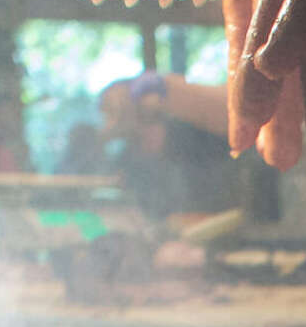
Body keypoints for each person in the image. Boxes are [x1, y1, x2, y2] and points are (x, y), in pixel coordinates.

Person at [97, 71, 239, 219]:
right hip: (166, 234)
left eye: (112, 109)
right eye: (107, 112)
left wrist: (167, 87)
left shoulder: (189, 134)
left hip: (221, 223)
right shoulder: (127, 158)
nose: (109, 120)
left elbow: (229, 117)